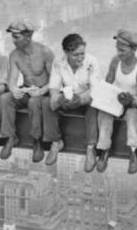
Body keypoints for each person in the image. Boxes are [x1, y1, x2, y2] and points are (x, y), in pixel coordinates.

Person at [0, 20, 54, 161]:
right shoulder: (14, 55)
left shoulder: (45, 52)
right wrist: (14, 90)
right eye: (13, 36)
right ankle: (10, 137)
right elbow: (12, 80)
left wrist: (41, 91)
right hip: (27, 89)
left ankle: (37, 141)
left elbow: (55, 80)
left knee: (34, 102)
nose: (13, 40)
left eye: (17, 37)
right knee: (5, 99)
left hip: (44, 92)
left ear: (28, 37)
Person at [94, 29, 137, 173]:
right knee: (104, 115)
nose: (119, 53)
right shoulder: (115, 61)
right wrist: (104, 96)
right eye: (118, 49)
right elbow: (109, 81)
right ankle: (104, 150)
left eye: (122, 50)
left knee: (132, 118)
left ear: (133, 49)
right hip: (115, 100)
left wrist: (131, 100)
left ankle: (134, 151)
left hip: (131, 103)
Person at [43, 33, 100, 168]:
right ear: (66, 52)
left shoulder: (92, 62)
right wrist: (59, 99)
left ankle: (91, 147)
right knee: (47, 103)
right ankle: (56, 142)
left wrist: (80, 99)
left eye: (82, 54)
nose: (80, 58)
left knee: (94, 105)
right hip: (67, 97)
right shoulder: (58, 62)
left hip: (85, 98)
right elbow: (54, 87)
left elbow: (95, 89)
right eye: (76, 55)